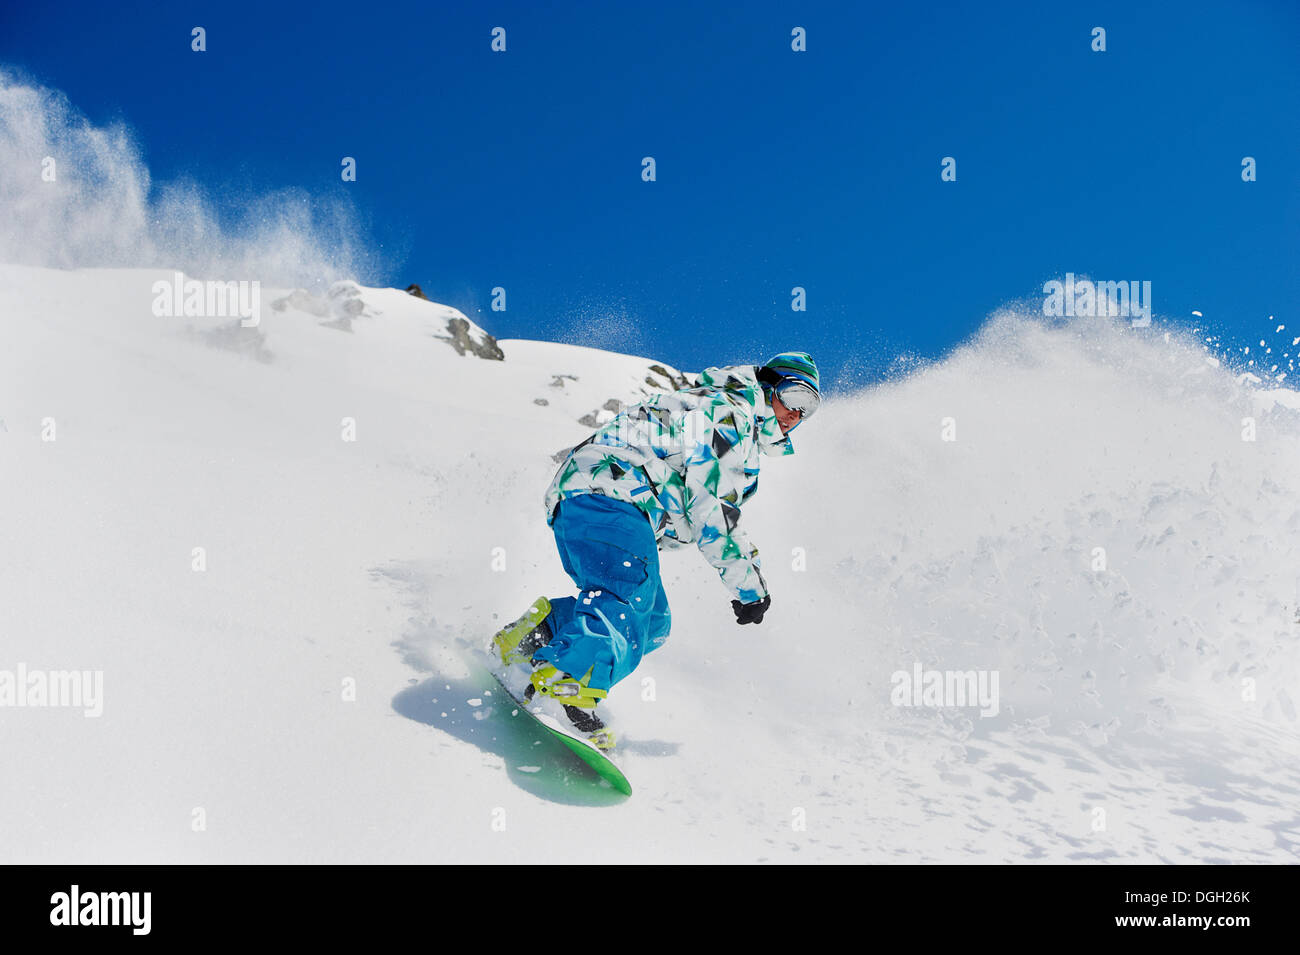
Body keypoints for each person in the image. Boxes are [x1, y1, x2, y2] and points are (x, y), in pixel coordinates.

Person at [491, 352, 821, 748]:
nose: (796, 415)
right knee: (628, 595)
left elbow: (689, 505)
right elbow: (713, 513)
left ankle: (534, 634)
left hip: (594, 502)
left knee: (652, 622)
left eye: (809, 409)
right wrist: (751, 589)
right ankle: (566, 681)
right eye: (794, 396)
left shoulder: (719, 412)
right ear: (768, 386)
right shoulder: (729, 415)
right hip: (610, 494)